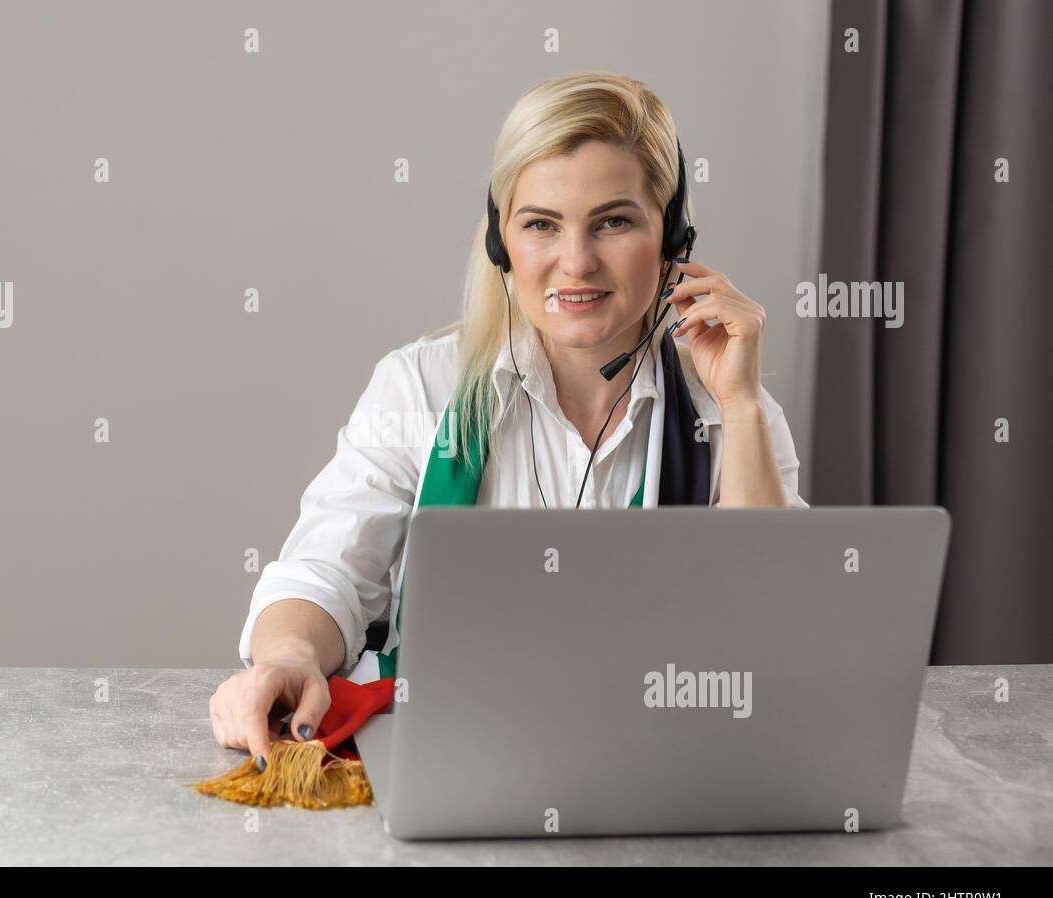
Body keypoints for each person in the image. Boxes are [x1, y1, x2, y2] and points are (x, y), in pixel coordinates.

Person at [209, 71, 808, 770]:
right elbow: (324, 571)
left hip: (667, 771)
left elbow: (776, 640)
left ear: (671, 233)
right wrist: (287, 657)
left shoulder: (729, 412)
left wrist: (739, 405)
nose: (576, 262)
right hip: (458, 759)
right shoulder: (423, 388)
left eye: (614, 221)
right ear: (501, 241)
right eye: (541, 225)